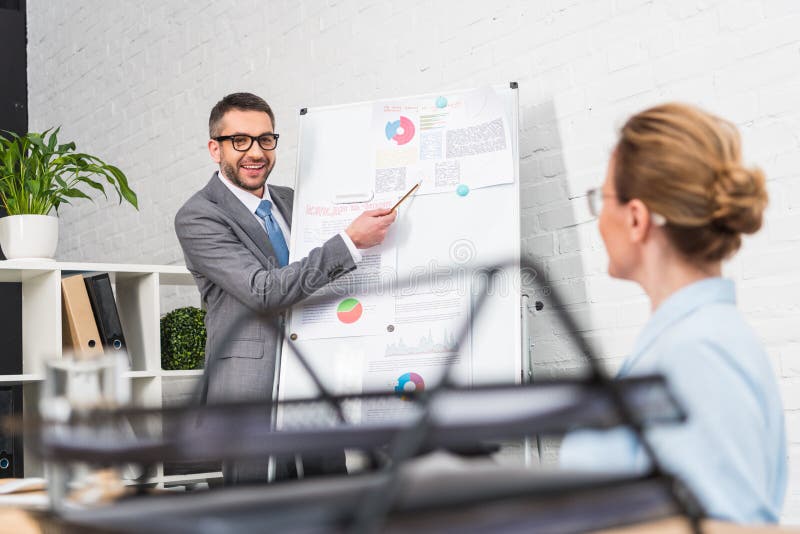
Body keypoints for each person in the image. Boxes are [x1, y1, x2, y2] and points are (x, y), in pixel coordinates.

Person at [559, 103, 787, 523]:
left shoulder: (698, 352)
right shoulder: (686, 341)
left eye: (602, 199)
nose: (598, 221)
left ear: (636, 218)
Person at [175, 92, 396, 485]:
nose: (255, 152)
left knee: (327, 491)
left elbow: (319, 276)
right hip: (250, 385)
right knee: (256, 504)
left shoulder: (294, 202)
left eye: (265, 139)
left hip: (313, 375)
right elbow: (263, 290)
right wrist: (349, 242)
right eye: (239, 140)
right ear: (215, 148)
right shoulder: (199, 216)